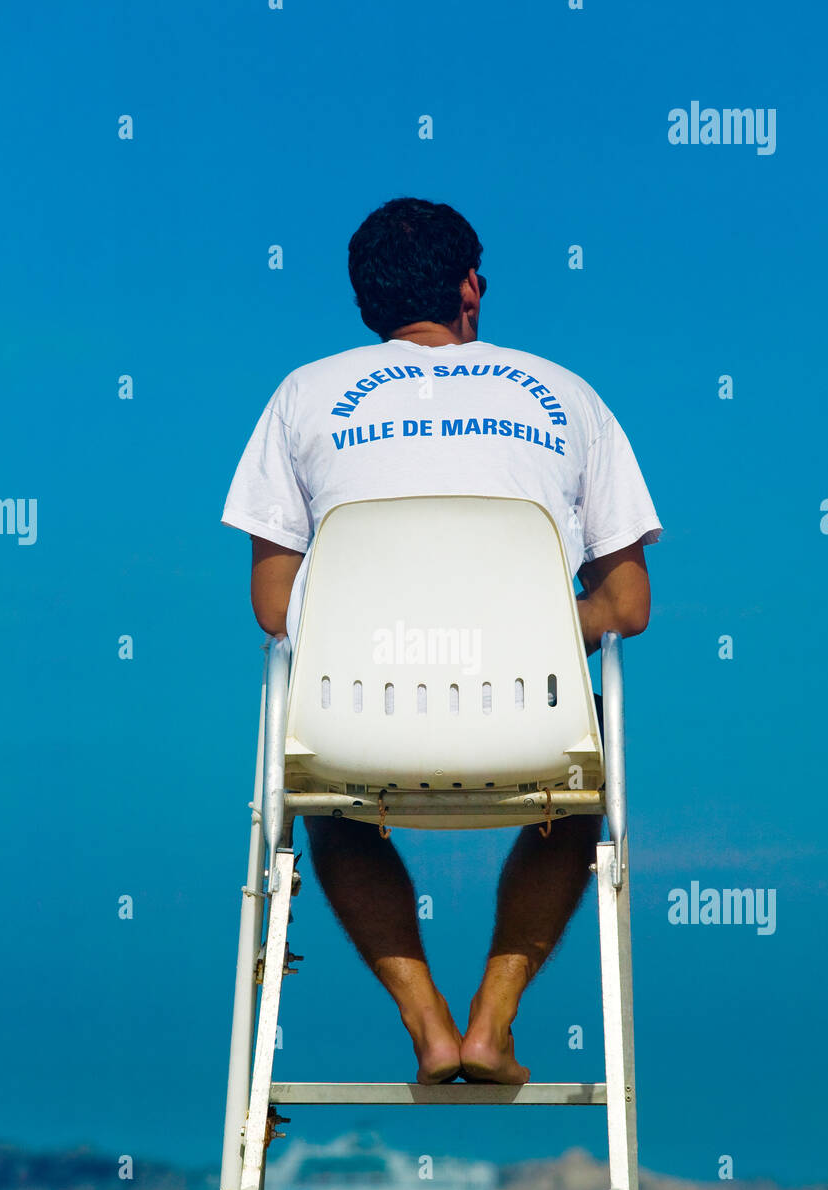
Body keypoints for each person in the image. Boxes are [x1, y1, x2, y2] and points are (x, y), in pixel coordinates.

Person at [221, 197, 662, 1086]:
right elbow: (625, 602)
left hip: (359, 724)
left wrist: (397, 641)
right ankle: (491, 1024)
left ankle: (427, 1025)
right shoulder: (566, 395)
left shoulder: (303, 396)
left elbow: (275, 605)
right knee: (591, 757)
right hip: (526, 727)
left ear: (363, 302)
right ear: (470, 286)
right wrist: (513, 633)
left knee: (321, 788)